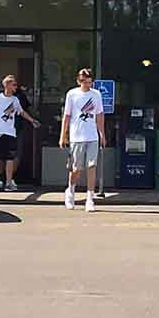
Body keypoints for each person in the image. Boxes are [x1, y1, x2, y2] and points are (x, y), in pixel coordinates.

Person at [59, 68, 105, 212]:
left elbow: (99, 114)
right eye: (85, 82)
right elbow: (66, 116)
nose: (88, 85)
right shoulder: (72, 94)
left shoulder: (96, 94)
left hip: (92, 136)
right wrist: (63, 135)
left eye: (90, 82)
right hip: (76, 136)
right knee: (76, 168)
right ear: (79, 81)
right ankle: (70, 192)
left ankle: (90, 198)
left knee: (92, 167)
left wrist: (101, 134)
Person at [0, 74, 40, 191]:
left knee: (10, 158)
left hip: (10, 132)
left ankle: (8, 182)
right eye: (14, 85)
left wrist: (32, 120)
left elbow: (21, 112)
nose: (16, 87)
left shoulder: (15, 99)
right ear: (7, 85)